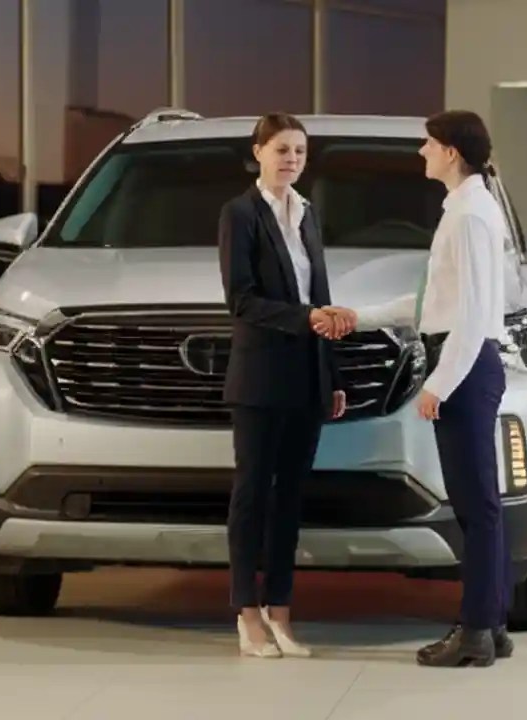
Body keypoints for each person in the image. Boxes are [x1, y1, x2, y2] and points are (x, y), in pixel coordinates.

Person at [329, 110, 513, 667]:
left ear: (452, 152)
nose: (421, 153)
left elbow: (474, 313)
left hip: (465, 364)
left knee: (475, 505)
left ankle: (477, 631)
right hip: (464, 361)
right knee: (478, 503)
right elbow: (431, 304)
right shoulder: (463, 209)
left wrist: (439, 382)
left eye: (428, 145)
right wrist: (354, 315)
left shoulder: (470, 216)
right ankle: (492, 624)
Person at [217, 113, 348, 659]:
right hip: (259, 378)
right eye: (281, 150)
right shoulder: (240, 214)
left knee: (290, 500)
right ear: (258, 152)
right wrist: (308, 319)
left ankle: (282, 613)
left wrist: (332, 373)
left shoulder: (308, 214)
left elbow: (321, 290)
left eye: (298, 151)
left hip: (307, 378)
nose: (291, 159)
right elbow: (241, 300)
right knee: (252, 496)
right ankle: (247, 613)